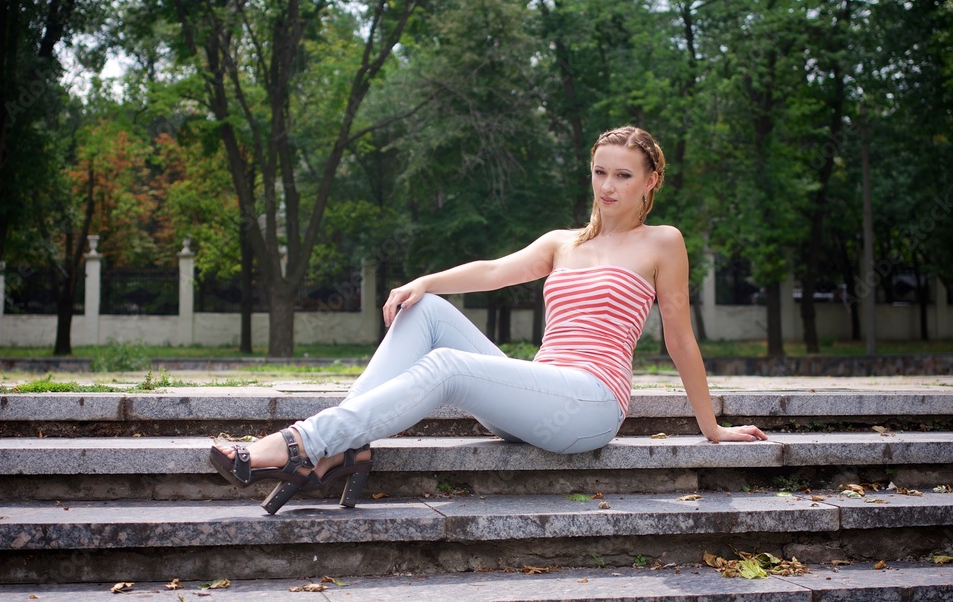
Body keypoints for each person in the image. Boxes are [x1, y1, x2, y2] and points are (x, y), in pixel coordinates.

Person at [210, 125, 769, 514]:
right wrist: (424, 281)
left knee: (450, 365)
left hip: (591, 406)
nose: (607, 187)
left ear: (650, 182)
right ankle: (344, 443)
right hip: (535, 397)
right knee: (425, 310)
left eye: (623, 176)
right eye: (599, 172)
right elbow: (494, 270)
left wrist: (712, 428)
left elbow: (680, 337)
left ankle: (302, 444)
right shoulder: (562, 241)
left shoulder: (662, 243)